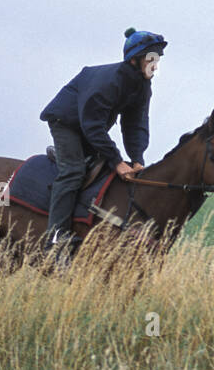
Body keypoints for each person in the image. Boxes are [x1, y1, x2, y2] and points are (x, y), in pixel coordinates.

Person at [38, 27, 166, 259]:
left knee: (107, 170)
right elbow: (93, 127)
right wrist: (117, 161)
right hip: (66, 123)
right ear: (134, 60)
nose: (155, 65)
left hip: (90, 127)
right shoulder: (108, 82)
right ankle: (55, 239)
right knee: (74, 171)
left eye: (157, 59)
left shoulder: (143, 85)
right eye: (151, 59)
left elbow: (136, 124)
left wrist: (137, 159)